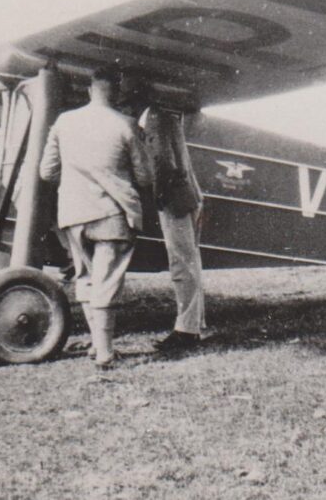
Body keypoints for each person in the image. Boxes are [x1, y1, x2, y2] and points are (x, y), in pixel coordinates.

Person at [39, 67, 151, 369]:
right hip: (111, 213)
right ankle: (104, 352)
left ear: (90, 90)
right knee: (107, 281)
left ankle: (96, 344)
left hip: (73, 213)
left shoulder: (64, 121)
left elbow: (46, 172)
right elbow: (145, 176)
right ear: (115, 92)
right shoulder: (126, 125)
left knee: (85, 277)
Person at [144, 106, 205, 352]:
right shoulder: (166, 118)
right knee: (190, 262)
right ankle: (194, 325)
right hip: (186, 197)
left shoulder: (154, 121)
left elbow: (162, 161)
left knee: (181, 264)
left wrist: (158, 195)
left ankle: (187, 331)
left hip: (174, 200)